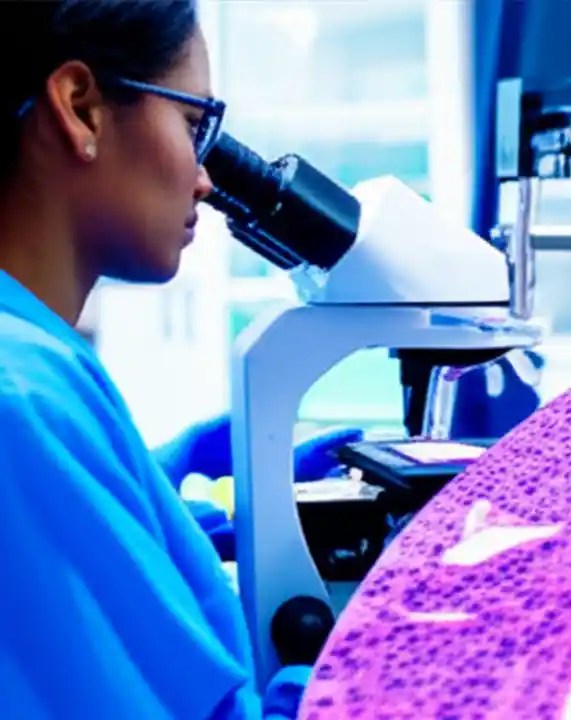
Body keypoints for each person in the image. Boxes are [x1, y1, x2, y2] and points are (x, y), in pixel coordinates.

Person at [0, 2, 313, 717]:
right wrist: (362, 660)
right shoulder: (22, 404)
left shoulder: (33, 357)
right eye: (194, 126)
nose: (206, 179)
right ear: (81, 108)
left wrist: (164, 501)